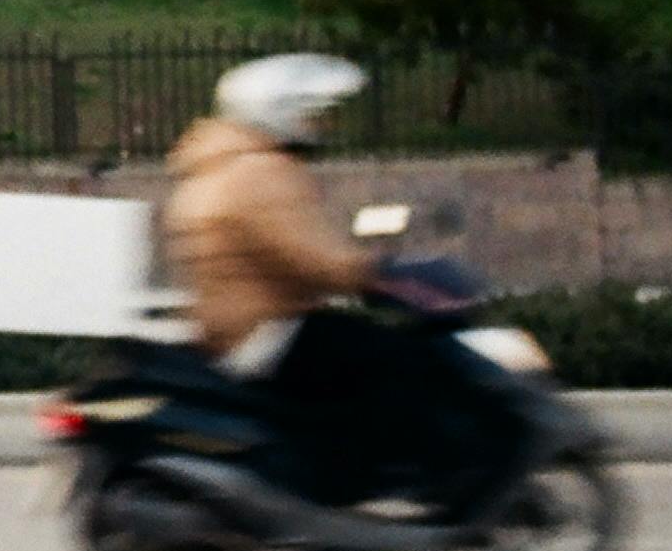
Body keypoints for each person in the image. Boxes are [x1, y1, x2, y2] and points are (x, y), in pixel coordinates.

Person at [162, 53, 480, 505]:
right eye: (312, 114)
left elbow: (279, 257)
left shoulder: (219, 166)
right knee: (398, 359)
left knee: (355, 356)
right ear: (279, 113)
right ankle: (368, 476)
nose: (322, 125)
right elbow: (310, 258)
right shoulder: (260, 172)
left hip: (239, 327)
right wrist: (376, 275)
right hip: (266, 329)